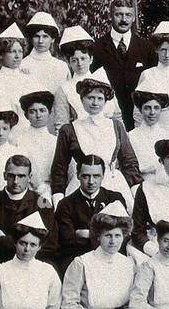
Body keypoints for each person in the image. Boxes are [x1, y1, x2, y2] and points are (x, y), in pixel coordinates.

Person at [58, 202, 162, 309]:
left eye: (117, 236)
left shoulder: (129, 264)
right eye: (108, 236)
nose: (113, 241)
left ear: (124, 237)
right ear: (98, 236)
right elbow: (69, 304)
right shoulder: (82, 263)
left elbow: (132, 302)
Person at [48, 70, 140, 208]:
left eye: (99, 98)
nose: (95, 102)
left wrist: (136, 191)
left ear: (105, 101)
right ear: (82, 99)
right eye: (90, 97)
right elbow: (59, 168)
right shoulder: (69, 129)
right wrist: (58, 197)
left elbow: (128, 162)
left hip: (113, 183)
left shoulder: (115, 126)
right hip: (81, 185)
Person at [0, 155, 56, 277]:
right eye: (11, 175)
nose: (16, 181)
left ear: (29, 177)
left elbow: (51, 243)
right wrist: (31, 240)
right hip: (2, 262)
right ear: (5, 175)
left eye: (21, 176)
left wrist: (6, 238)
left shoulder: (42, 204)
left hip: (35, 263)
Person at [53, 155, 128, 277]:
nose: (91, 181)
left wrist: (87, 234)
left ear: (103, 176)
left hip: (110, 255)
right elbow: (68, 242)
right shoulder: (65, 205)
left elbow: (123, 235)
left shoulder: (114, 199)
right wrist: (102, 235)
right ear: (78, 175)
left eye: (96, 176)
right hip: (79, 258)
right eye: (86, 176)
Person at [89, 1, 157, 128]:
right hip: (109, 119)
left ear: (133, 17)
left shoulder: (146, 47)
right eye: (118, 15)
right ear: (110, 16)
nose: (124, 19)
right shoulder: (97, 47)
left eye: (128, 15)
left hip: (141, 119)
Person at [52, 26, 118, 127]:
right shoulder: (65, 90)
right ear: (69, 62)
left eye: (83, 58)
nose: (79, 64)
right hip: (80, 138)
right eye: (74, 60)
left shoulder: (102, 79)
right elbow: (61, 125)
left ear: (91, 59)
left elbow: (117, 116)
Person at [0, 23, 39, 136]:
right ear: (2, 54)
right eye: (12, 52)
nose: (17, 56)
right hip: (4, 136)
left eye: (20, 51)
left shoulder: (29, 79)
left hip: (29, 135)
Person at [15, 90, 58, 201]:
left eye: (42, 110)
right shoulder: (20, 140)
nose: (38, 115)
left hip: (50, 190)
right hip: (25, 189)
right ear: (26, 115)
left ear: (50, 112)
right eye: (33, 112)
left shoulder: (55, 141)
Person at [20, 11, 69, 98]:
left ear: (53, 39)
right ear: (31, 38)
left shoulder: (62, 67)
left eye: (45, 36)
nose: (40, 41)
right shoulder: (22, 65)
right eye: (37, 36)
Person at [127, 90, 169, 181]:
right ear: (140, 110)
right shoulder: (131, 136)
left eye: (156, 108)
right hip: (141, 183)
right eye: (147, 108)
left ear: (161, 110)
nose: (152, 112)